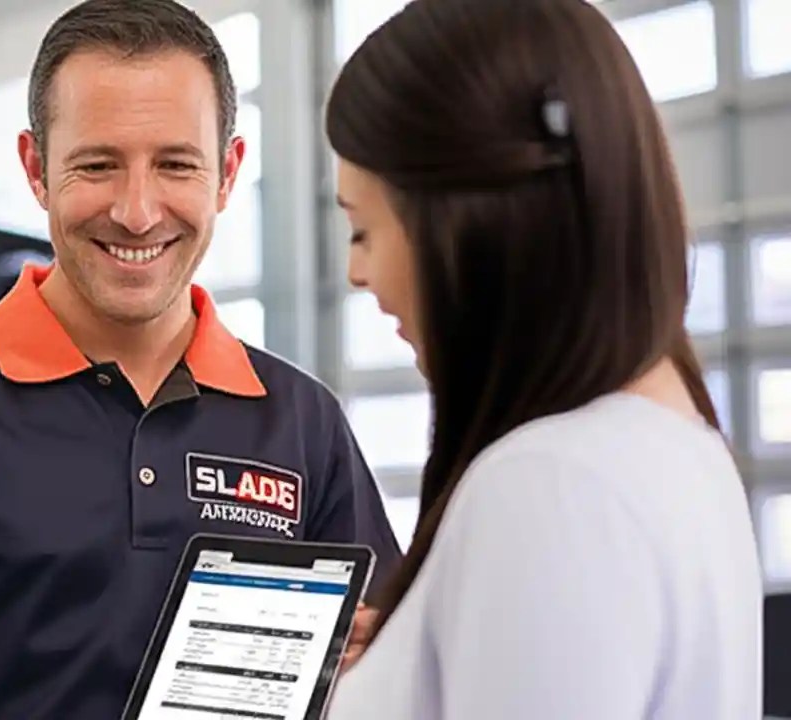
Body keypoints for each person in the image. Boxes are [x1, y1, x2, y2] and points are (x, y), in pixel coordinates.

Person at [0, 1, 401, 717]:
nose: (138, 211)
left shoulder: (302, 423)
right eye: (98, 165)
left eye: (176, 164)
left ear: (227, 172)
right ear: (36, 167)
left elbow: (382, 671)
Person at [321, 0, 763, 718]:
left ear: (469, 226)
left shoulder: (547, 484)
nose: (356, 274)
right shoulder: (673, 439)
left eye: (364, 230)